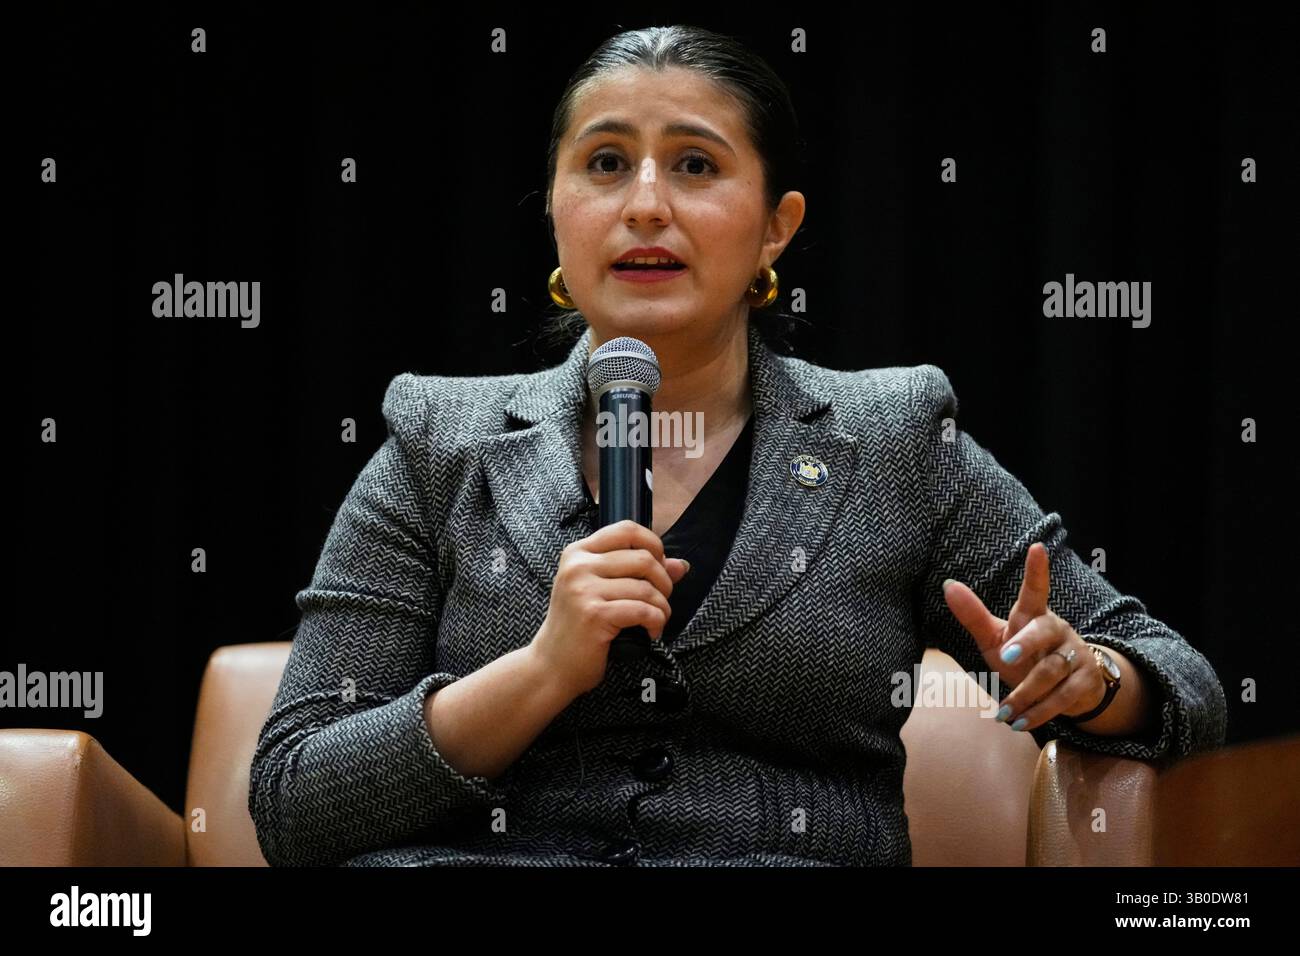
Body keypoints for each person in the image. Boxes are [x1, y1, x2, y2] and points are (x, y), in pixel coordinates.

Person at [248, 25, 1227, 867]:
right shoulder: (437, 441)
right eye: (603, 162)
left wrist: (1089, 679)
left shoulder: (894, 440)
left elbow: (1183, 683)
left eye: (694, 164)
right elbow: (292, 798)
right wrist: (540, 669)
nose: (643, 204)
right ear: (554, 209)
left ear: (775, 226)